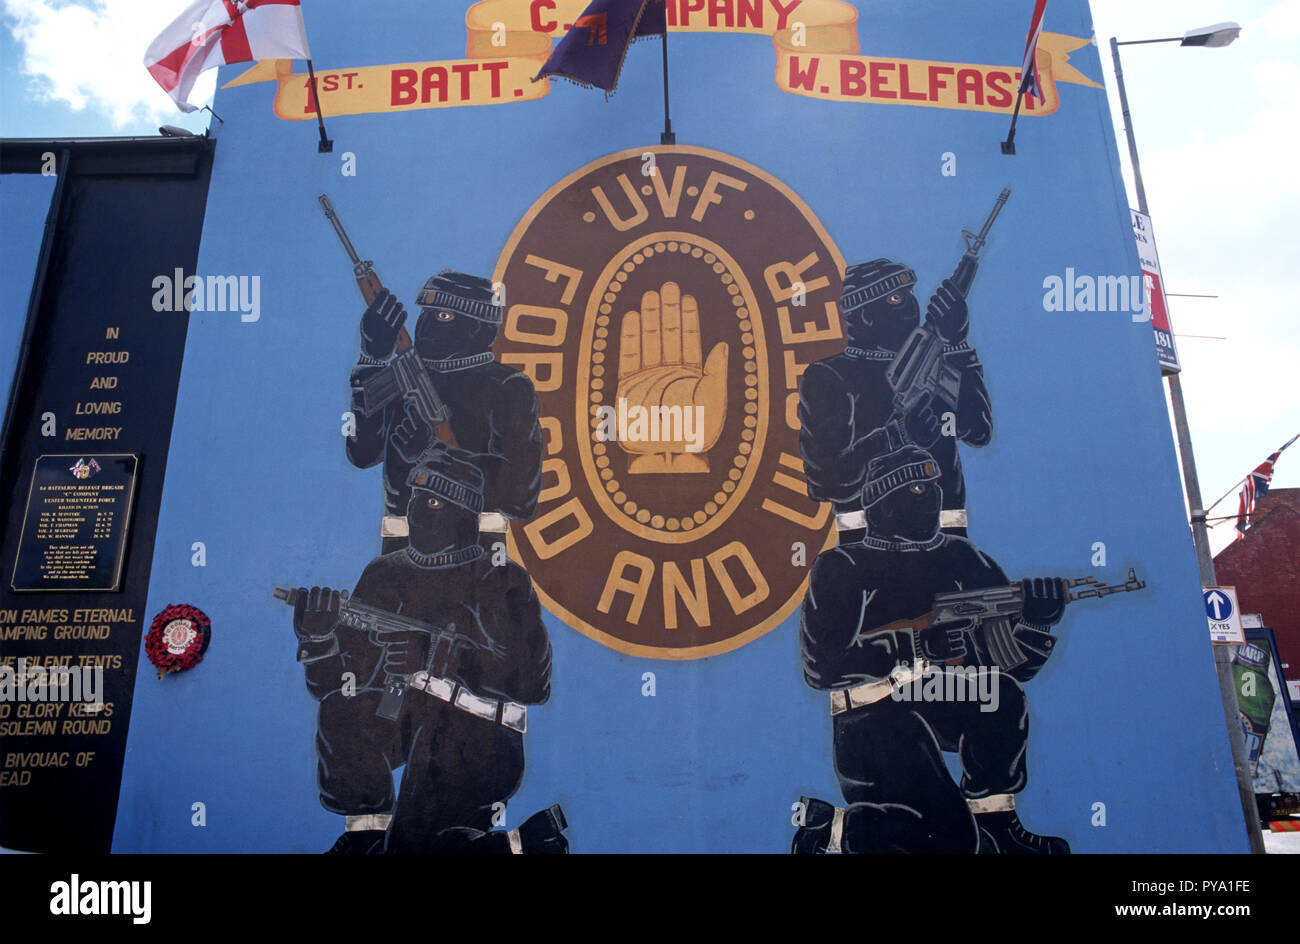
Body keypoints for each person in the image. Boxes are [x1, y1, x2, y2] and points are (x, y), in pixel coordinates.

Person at [793, 443, 1068, 854]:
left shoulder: (961, 557)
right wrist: (915, 645)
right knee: (947, 840)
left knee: (1000, 696)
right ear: (883, 503)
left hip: (939, 695)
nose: (933, 497)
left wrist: (1037, 620)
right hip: (872, 714)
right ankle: (829, 829)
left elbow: (1011, 666)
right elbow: (821, 666)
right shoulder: (843, 567)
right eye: (918, 490)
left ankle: (996, 826)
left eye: (934, 486)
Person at [291, 451, 565, 853]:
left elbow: (534, 683)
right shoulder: (384, 573)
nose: (417, 512)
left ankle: (528, 845)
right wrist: (319, 641)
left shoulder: (502, 580)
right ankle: (365, 835)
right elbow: (337, 685)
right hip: (400, 721)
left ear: (465, 514)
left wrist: (440, 655)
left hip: (476, 733)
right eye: (415, 498)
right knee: (342, 711)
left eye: (434, 502)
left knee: (411, 849)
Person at [347, 270, 542, 551]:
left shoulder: (508, 387)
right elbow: (361, 453)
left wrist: (433, 455)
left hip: (476, 549)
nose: (424, 325)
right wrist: (372, 359)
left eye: (443, 316)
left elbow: (521, 495)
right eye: (426, 312)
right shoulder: (402, 375)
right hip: (399, 545)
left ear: (477, 326)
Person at [798, 259, 991, 540]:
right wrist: (896, 436)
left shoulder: (934, 360)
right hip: (867, 549)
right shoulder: (828, 377)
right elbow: (825, 481)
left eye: (911, 295)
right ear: (865, 315)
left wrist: (957, 345)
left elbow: (979, 430)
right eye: (896, 298)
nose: (913, 307)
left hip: (949, 543)